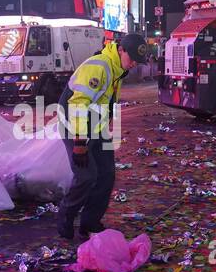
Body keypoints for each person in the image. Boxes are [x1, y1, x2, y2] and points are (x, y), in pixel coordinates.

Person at [57, 34, 151, 239]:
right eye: (132, 58)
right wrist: (80, 142)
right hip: (75, 128)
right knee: (86, 176)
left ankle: (90, 223)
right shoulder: (99, 67)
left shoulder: (118, 70)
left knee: (107, 175)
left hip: (98, 129)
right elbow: (78, 105)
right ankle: (65, 215)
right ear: (121, 50)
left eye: (138, 61)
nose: (134, 64)